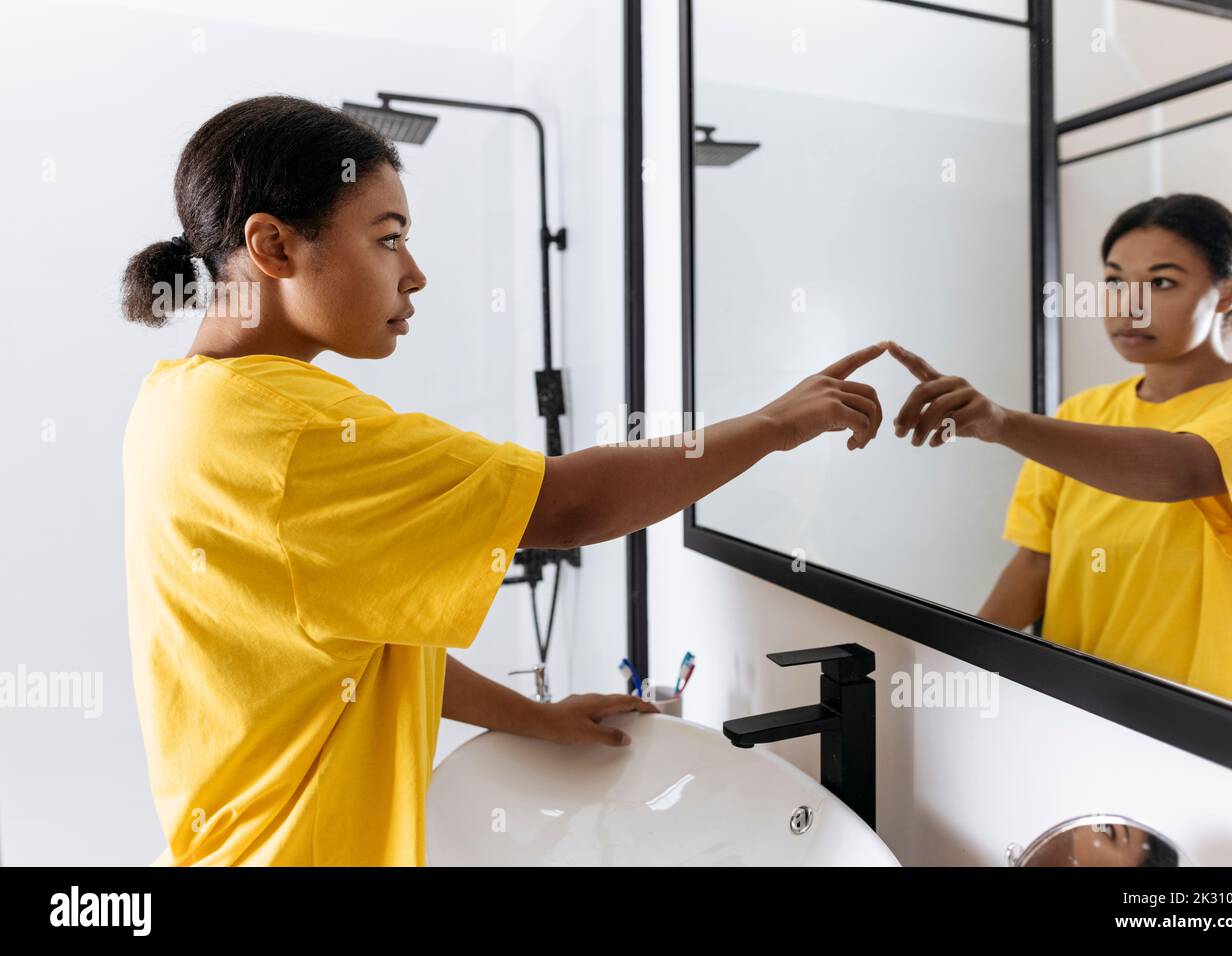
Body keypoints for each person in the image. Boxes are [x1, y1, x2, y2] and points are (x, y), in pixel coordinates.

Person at [119, 94, 887, 865]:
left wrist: (534, 717)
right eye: (388, 240)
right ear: (273, 247)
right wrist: (773, 426)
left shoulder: (177, 405)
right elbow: (568, 505)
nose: (414, 275)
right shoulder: (289, 428)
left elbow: (362, 647)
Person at [885, 194, 1232, 721]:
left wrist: (1002, 423)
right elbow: (1037, 562)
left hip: (1228, 731)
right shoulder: (1081, 413)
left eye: (1162, 282)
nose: (1130, 306)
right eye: (1114, 281)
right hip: (1084, 716)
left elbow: (1182, 467)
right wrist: (952, 670)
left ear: (1226, 292)